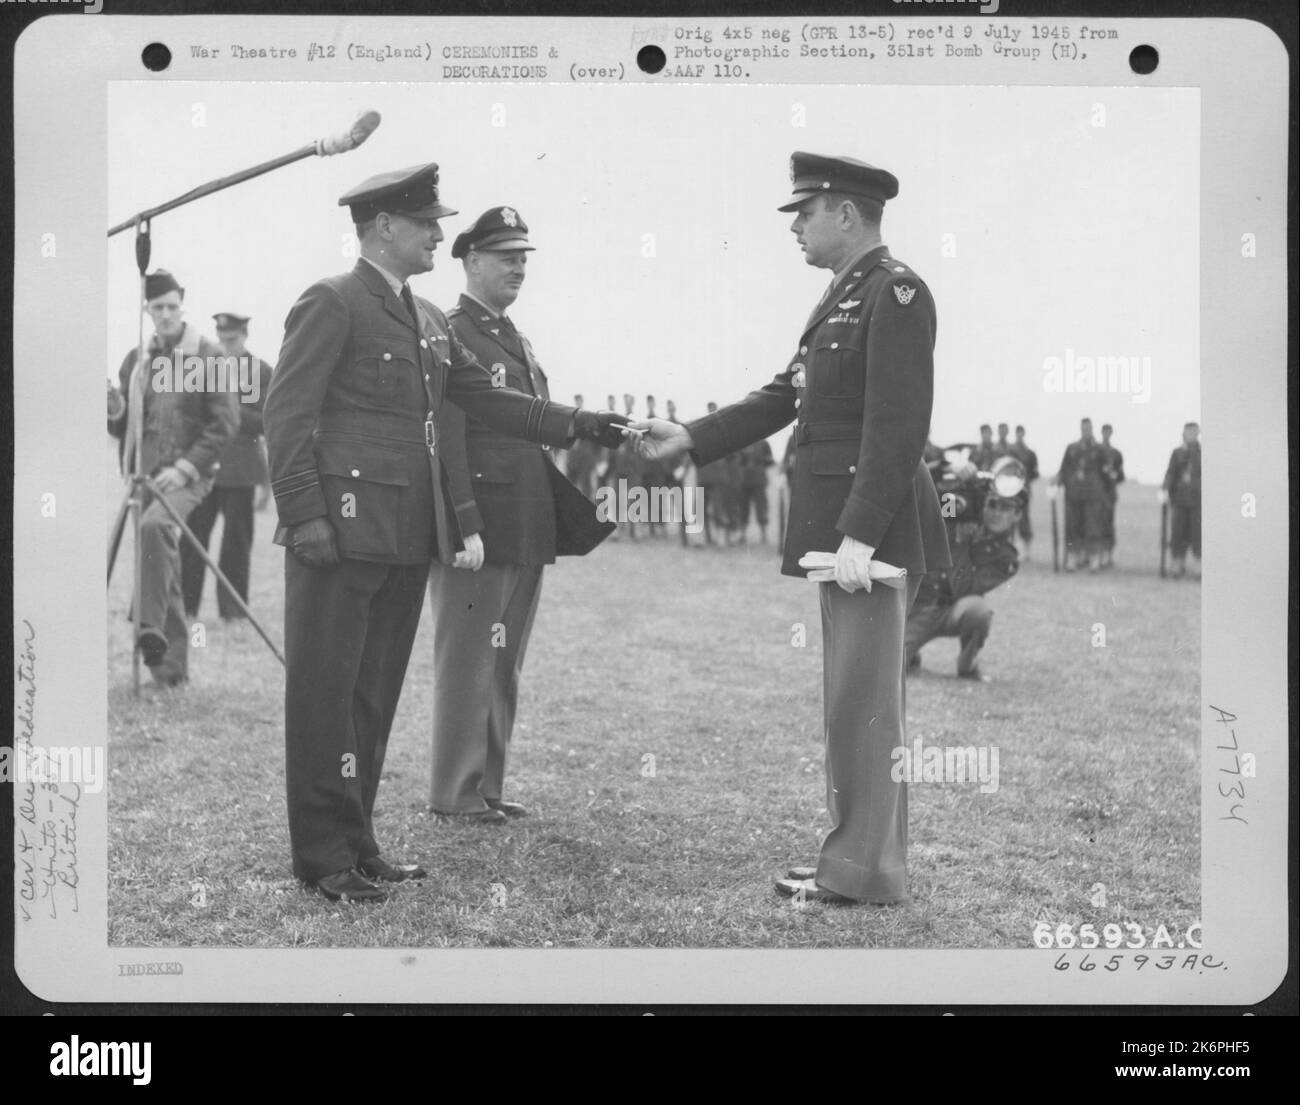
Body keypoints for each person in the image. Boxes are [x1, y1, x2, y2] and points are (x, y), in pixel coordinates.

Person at [263, 164, 627, 903]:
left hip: (405, 540)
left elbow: (499, 404)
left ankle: (359, 843)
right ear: (384, 228)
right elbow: (285, 415)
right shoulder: (332, 301)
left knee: (372, 697)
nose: (438, 233)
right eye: (427, 222)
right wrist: (305, 517)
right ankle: (321, 857)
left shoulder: (427, 319)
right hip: (339, 536)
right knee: (325, 695)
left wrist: (589, 424)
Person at [632, 151, 949, 905]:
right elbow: (786, 395)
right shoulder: (843, 297)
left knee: (866, 704)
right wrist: (692, 436)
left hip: (862, 538)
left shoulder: (895, 293)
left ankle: (864, 869)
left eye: (805, 213)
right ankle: (853, 858)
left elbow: (899, 426)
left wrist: (862, 533)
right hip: (839, 534)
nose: (796, 228)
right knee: (849, 700)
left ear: (846, 212)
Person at [428, 205, 613, 822]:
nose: (518, 268)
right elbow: (448, 435)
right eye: (506, 257)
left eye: (523, 258)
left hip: (525, 522)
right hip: (481, 525)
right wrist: (463, 519)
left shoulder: (513, 338)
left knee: (503, 663)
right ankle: (455, 791)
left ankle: (487, 788)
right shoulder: (454, 332)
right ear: (471, 260)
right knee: (468, 660)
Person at [107, 269, 238, 688]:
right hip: (144, 479)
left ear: (182, 306)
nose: (165, 315)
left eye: (172, 307)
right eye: (157, 307)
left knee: (155, 529)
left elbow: (225, 424)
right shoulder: (137, 360)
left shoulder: (209, 354)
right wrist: (114, 409)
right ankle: (171, 672)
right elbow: (125, 426)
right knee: (164, 566)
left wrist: (184, 468)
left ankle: (149, 629)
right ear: (147, 309)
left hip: (188, 477)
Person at [180, 312, 275, 620]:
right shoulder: (204, 369)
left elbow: (267, 422)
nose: (225, 345)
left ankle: (233, 612)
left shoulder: (261, 371)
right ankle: (186, 607)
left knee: (236, 544)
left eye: (231, 340)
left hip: (242, 471)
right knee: (192, 539)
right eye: (221, 339)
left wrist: (230, 411)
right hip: (205, 468)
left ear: (244, 336)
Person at [905, 490, 1022, 681]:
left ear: (1018, 514)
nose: (997, 513)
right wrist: (957, 495)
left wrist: (961, 543)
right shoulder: (956, 516)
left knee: (978, 610)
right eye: (992, 504)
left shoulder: (1005, 557)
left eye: (1006, 508)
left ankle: (967, 664)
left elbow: (963, 588)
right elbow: (939, 503)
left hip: (953, 609)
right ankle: (911, 655)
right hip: (921, 606)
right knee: (893, 664)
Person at [1053, 417, 1107, 572]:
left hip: (1093, 495)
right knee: (1073, 527)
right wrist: (1056, 482)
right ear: (1080, 429)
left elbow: (1106, 474)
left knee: (1093, 527)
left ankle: (1094, 560)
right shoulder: (1072, 448)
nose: (1086, 431)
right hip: (1074, 494)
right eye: (1084, 428)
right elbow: (1064, 470)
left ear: (1092, 429)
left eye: (1088, 428)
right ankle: (1072, 559)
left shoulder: (1099, 450)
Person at [1161, 421, 1201, 579]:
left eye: (1193, 432)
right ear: (1183, 434)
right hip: (1179, 499)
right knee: (1178, 532)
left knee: (1197, 533)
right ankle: (1178, 563)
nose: (1190, 435)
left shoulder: (1203, 452)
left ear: (1198, 433)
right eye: (1188, 432)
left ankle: (1199, 564)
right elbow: (1170, 473)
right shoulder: (1177, 453)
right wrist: (1164, 489)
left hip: (1198, 500)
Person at [1006, 425, 1039, 560]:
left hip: (1024, 490)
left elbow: (1035, 472)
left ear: (1023, 434)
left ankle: (1027, 551)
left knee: (1024, 520)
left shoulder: (1029, 453)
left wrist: (1026, 479)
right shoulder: (1009, 451)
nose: (1020, 435)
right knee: (1009, 520)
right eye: (1017, 433)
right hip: (1009, 490)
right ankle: (1010, 550)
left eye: (1021, 433)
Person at [1098, 422, 1125, 569]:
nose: (1106, 434)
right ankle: (1099, 555)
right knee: (1096, 524)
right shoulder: (1096, 450)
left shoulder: (1116, 453)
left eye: (1109, 432)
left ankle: (1109, 555)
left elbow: (1121, 475)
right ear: (1101, 432)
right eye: (1104, 431)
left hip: (1109, 494)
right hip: (1097, 494)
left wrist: (1115, 475)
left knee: (1108, 525)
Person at [737, 439, 775, 543]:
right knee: (743, 508)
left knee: (761, 508)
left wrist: (763, 460)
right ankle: (742, 535)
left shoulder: (764, 443)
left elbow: (770, 460)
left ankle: (764, 535)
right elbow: (736, 460)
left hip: (759, 480)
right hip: (744, 480)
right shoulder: (740, 442)